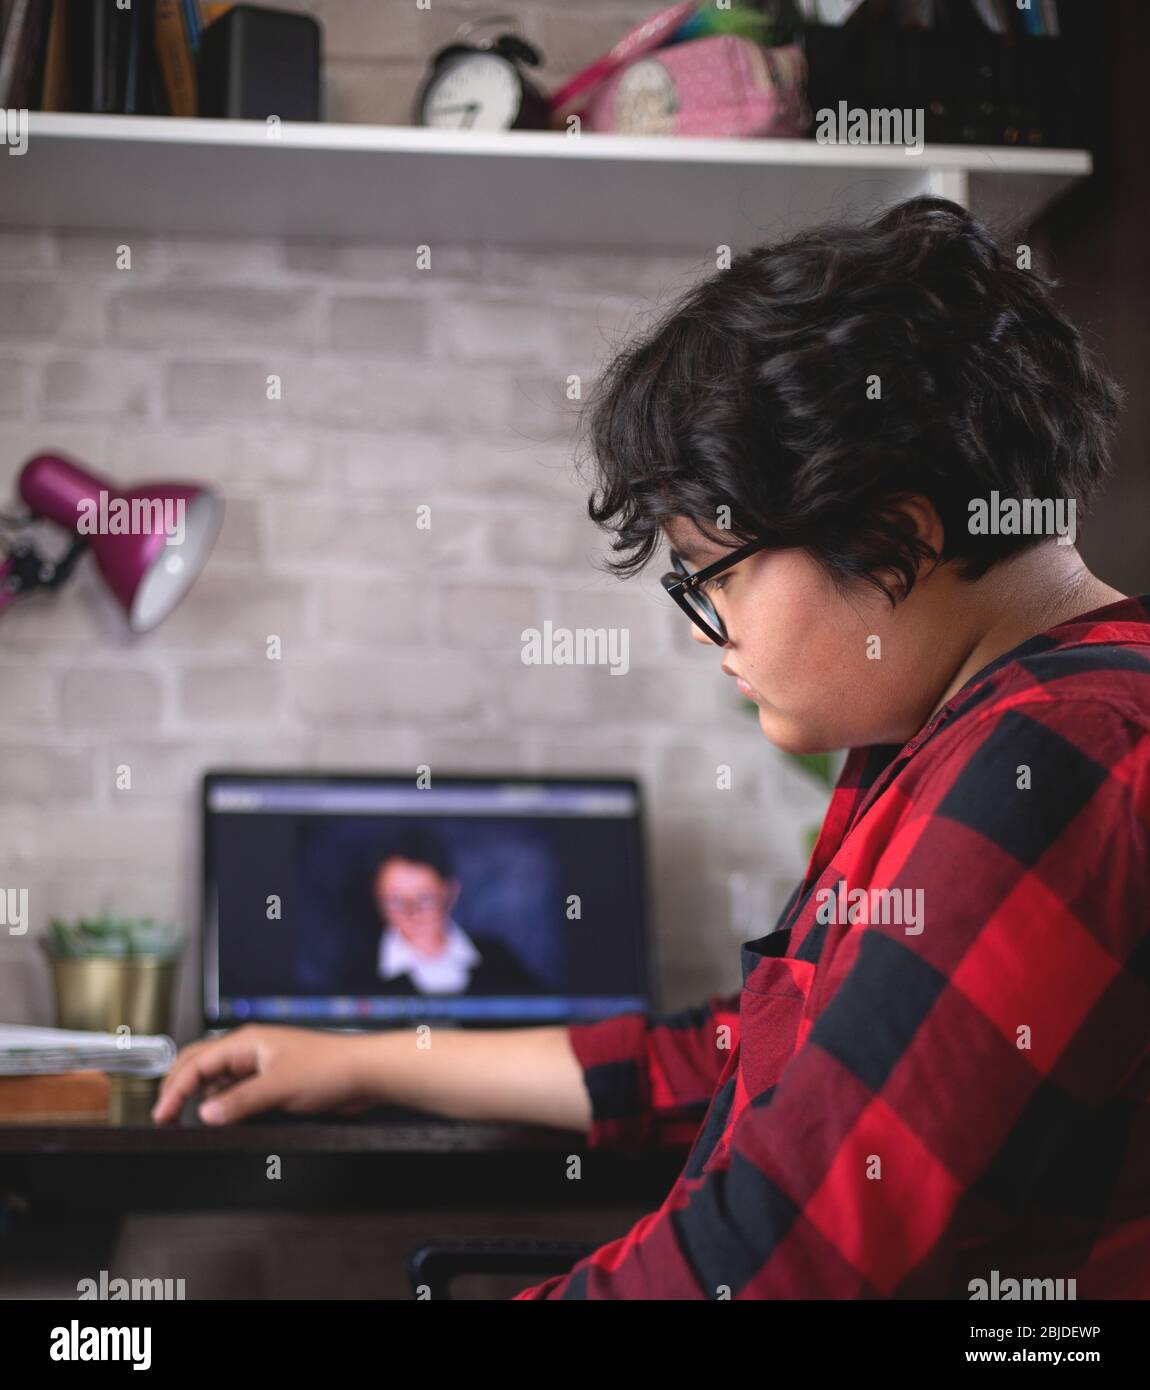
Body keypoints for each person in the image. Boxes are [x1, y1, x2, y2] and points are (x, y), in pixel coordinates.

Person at [153, 197, 1150, 1300]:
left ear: (890, 540)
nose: (696, 625)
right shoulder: (973, 724)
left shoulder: (1054, 760)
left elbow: (781, 1258)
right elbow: (749, 1053)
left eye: (711, 572)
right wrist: (368, 1057)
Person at [368, 825, 542, 996]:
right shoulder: (360, 977)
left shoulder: (499, 962)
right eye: (395, 901)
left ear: (450, 893)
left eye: (425, 898)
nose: (412, 914)